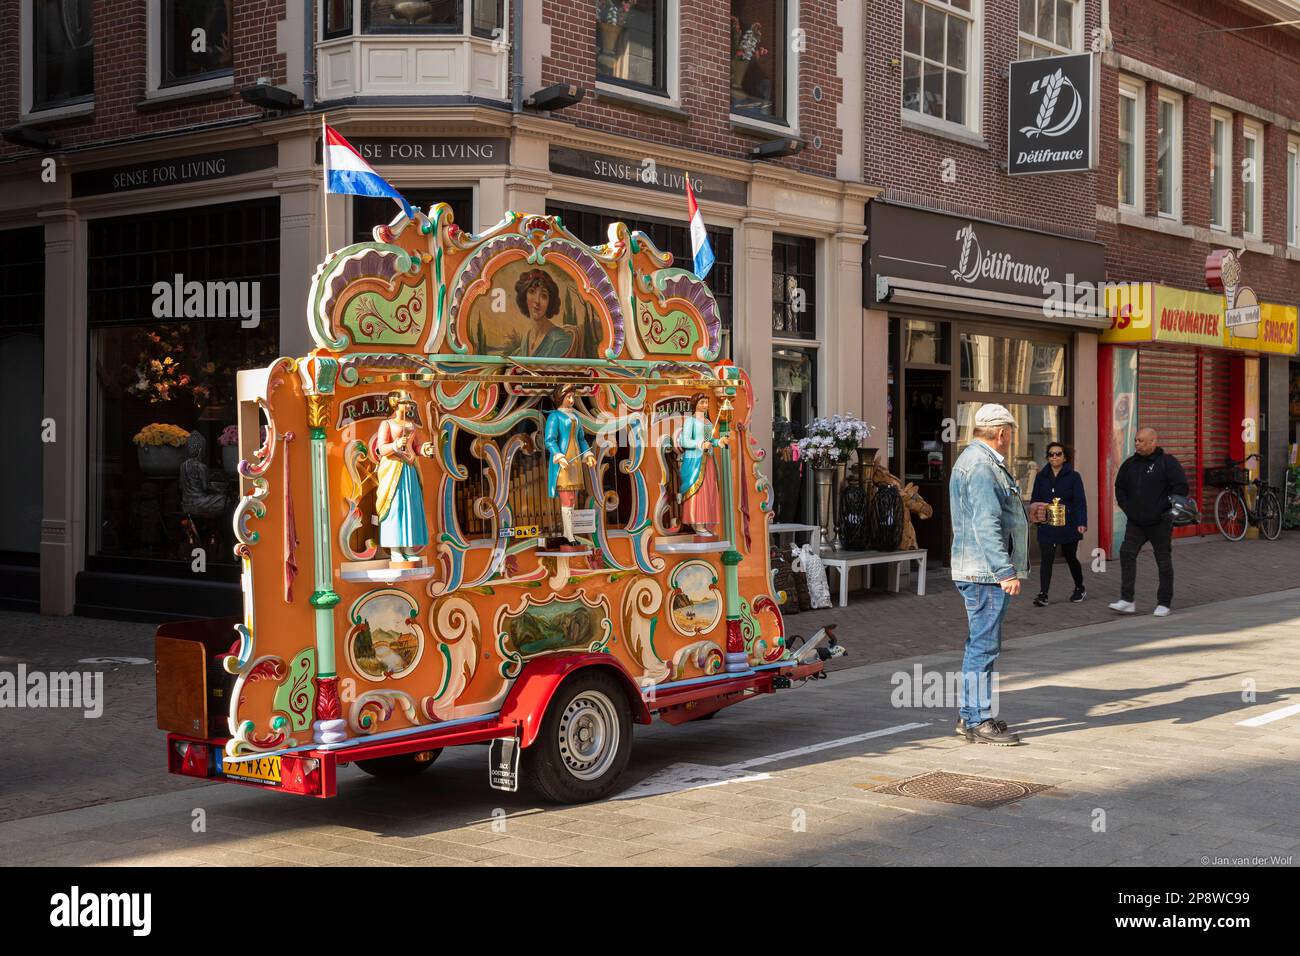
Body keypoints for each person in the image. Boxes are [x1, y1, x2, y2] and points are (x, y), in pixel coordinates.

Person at [949, 404, 1048, 746]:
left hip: (979, 569)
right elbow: (985, 524)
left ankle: (970, 716)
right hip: (985, 573)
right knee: (984, 646)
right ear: (1002, 433)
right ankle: (977, 719)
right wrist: (1005, 571)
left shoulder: (977, 461)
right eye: (1012, 434)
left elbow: (993, 514)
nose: (1012, 439)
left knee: (981, 643)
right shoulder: (981, 466)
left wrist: (1025, 512)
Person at [1110, 427, 1188, 617]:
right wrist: (1128, 508)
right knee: (1127, 554)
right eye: (1136, 440)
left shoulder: (1167, 463)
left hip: (1159, 522)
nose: (1137, 443)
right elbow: (1119, 487)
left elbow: (1181, 488)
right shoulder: (1130, 464)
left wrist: (1167, 512)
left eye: (1141, 441)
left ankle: (1164, 602)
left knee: (1163, 560)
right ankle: (1127, 600)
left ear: (1153, 442)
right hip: (1136, 522)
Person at [375, 390, 437, 563]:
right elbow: (381, 449)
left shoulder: (411, 426)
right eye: (405, 402)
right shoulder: (386, 424)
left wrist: (424, 450)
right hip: (394, 470)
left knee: (411, 507)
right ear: (396, 403)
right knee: (395, 507)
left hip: (409, 470)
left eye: (409, 403)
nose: (408, 406)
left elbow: (415, 448)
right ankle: (395, 548)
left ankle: (408, 546)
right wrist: (395, 444)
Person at [1029, 442, 1088, 606]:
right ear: (1047, 457)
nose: (1054, 457)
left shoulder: (1074, 477)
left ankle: (1079, 587)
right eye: (1051, 454)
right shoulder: (1041, 477)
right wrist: (1037, 512)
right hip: (1047, 524)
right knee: (1046, 559)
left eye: (1058, 454)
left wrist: (1082, 522)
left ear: (1065, 457)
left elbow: (1080, 502)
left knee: (1070, 557)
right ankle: (1043, 594)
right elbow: (1035, 499)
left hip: (1068, 524)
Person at [678, 393, 727, 537]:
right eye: (702, 403)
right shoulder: (690, 421)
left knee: (708, 491)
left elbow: (710, 440)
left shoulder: (707, 422)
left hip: (708, 460)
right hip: (695, 461)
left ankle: (705, 522)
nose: (705, 405)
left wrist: (719, 442)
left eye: (706, 402)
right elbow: (684, 441)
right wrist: (700, 444)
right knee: (698, 491)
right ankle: (697, 523)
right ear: (695, 404)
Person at [513, 269, 575, 358]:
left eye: (543, 296)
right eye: (532, 292)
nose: (537, 301)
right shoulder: (527, 337)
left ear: (550, 302)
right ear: (524, 296)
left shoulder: (561, 339)